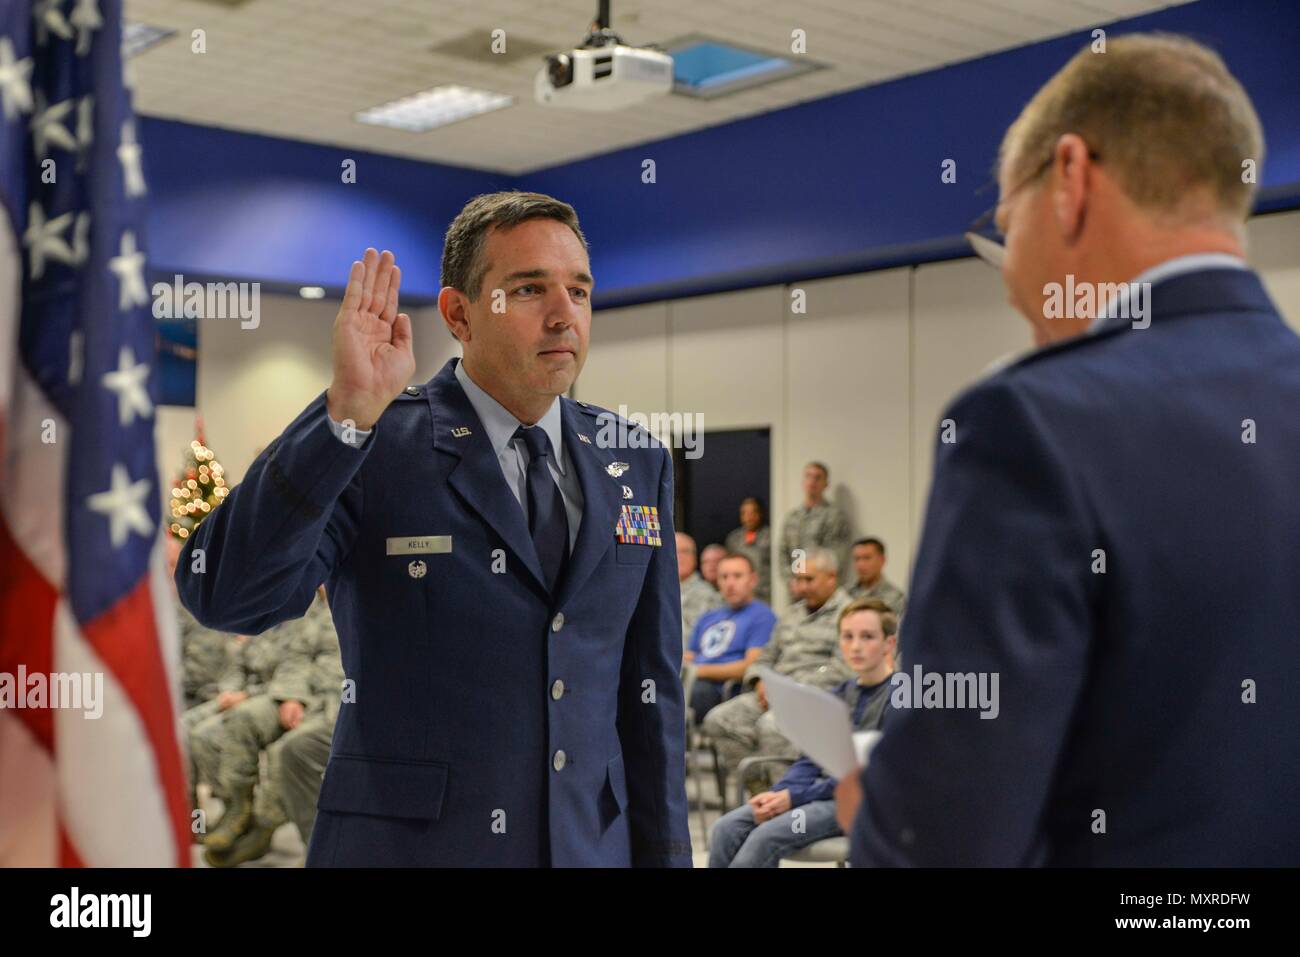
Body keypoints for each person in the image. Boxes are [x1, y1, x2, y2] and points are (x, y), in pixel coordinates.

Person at [837, 34, 1300, 866]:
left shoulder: (1029, 423)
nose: (1013, 277)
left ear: (1073, 179)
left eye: (1007, 227)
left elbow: (946, 838)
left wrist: (890, 815)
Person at [177, 191, 691, 867]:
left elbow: (650, 702)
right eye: (530, 289)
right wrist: (342, 417)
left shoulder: (636, 460)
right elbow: (227, 594)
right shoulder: (376, 443)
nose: (565, 314)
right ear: (459, 313)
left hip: (588, 847)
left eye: (579, 290)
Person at [710, 598, 896, 867]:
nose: (855, 646)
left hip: (862, 802)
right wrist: (779, 793)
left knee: (764, 838)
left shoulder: (899, 698)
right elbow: (810, 759)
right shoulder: (839, 694)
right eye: (847, 636)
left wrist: (793, 798)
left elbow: (866, 772)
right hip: (816, 795)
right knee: (725, 829)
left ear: (889, 644)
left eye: (867, 637)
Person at [702, 547, 851, 776]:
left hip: (818, 699)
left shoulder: (850, 615)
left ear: (831, 577)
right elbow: (766, 656)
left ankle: (785, 799)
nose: (801, 587)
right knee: (719, 720)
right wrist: (760, 680)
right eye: (798, 580)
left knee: (770, 727)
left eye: (809, 579)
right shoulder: (792, 614)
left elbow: (843, 669)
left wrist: (789, 691)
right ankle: (759, 792)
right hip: (775, 694)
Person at [683, 553, 776, 720]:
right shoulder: (708, 617)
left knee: (684, 693)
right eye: (724, 577)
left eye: (737, 576)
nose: (730, 583)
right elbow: (690, 656)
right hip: (694, 680)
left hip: (723, 689)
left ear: (753, 580)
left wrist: (698, 671)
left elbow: (751, 666)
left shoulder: (762, 616)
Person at [778, 462, 850, 597]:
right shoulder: (792, 517)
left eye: (817, 477)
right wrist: (793, 581)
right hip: (796, 592)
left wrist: (812, 581)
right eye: (808, 476)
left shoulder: (833, 516)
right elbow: (784, 553)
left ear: (826, 484)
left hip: (822, 592)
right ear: (803, 481)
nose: (812, 481)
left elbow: (835, 557)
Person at [677, 532, 724, 651]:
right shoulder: (658, 591)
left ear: (695, 558)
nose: (679, 557)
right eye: (675, 551)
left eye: (685, 551)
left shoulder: (707, 594)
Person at [725, 496, 772, 603]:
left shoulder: (770, 536)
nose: (748, 517)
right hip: (740, 593)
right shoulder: (733, 538)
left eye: (752, 513)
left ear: (760, 514)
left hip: (765, 593)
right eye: (744, 513)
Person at [848, 538, 905, 615]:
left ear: (882, 560)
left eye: (867, 558)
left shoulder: (896, 599)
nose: (860, 564)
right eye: (857, 559)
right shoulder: (845, 593)